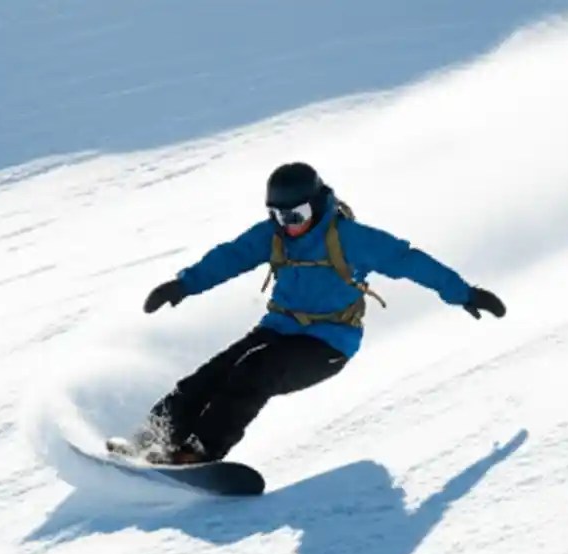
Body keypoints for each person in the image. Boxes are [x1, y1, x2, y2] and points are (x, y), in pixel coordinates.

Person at [111, 162, 506, 465]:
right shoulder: (273, 235)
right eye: (279, 216)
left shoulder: (351, 239)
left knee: (254, 372)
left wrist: (464, 293)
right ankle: (151, 438)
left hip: (329, 343)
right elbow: (231, 256)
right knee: (214, 373)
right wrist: (184, 284)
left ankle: (199, 452)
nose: (288, 225)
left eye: (295, 215)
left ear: (316, 206)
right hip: (278, 327)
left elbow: (410, 262)